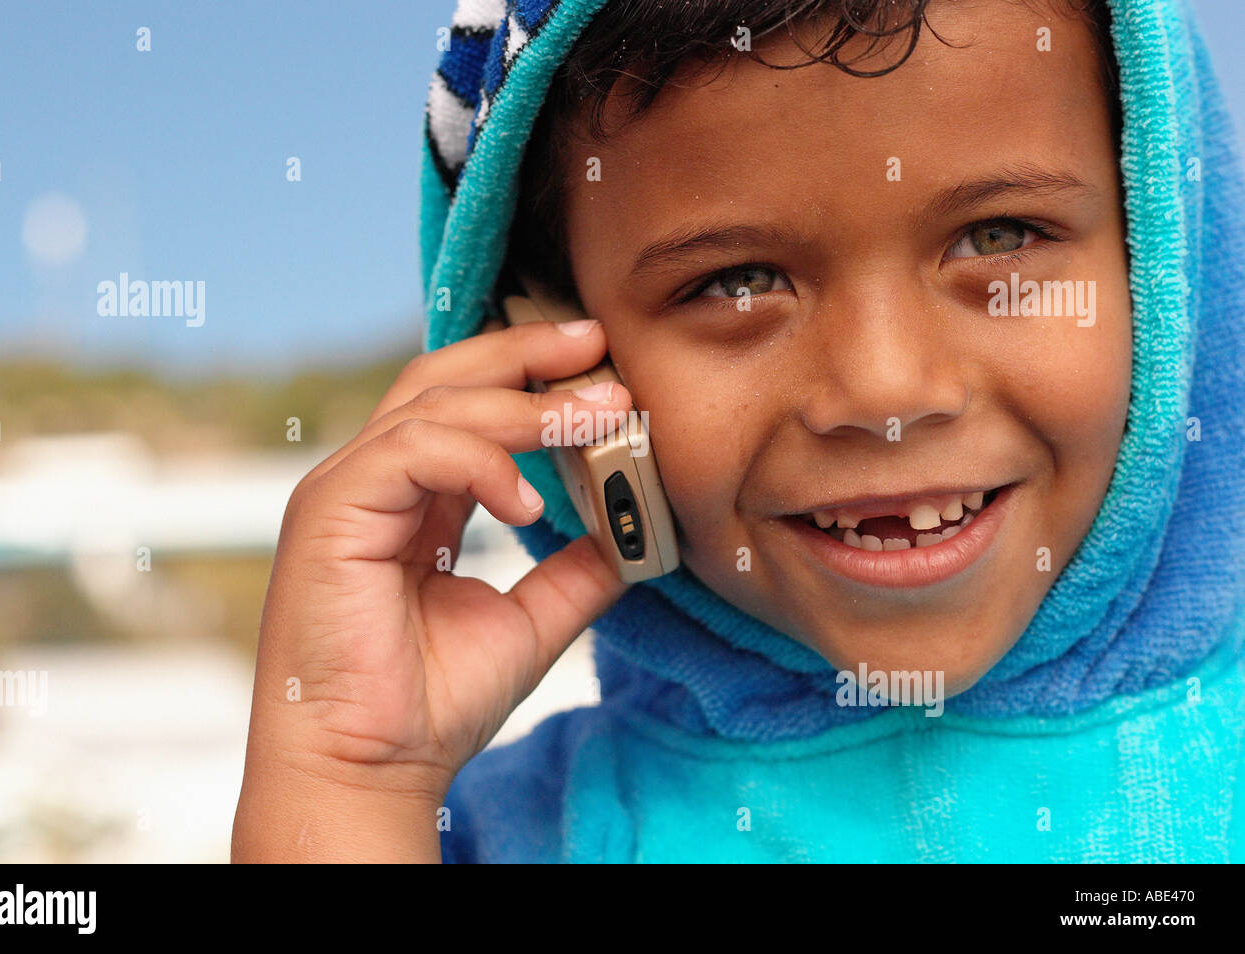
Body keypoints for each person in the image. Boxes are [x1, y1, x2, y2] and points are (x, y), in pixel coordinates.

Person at [232, 0, 1245, 862]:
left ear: (1169, 263)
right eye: (737, 282)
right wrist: (347, 776)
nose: (886, 390)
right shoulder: (499, 836)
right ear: (555, 354)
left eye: (998, 237)